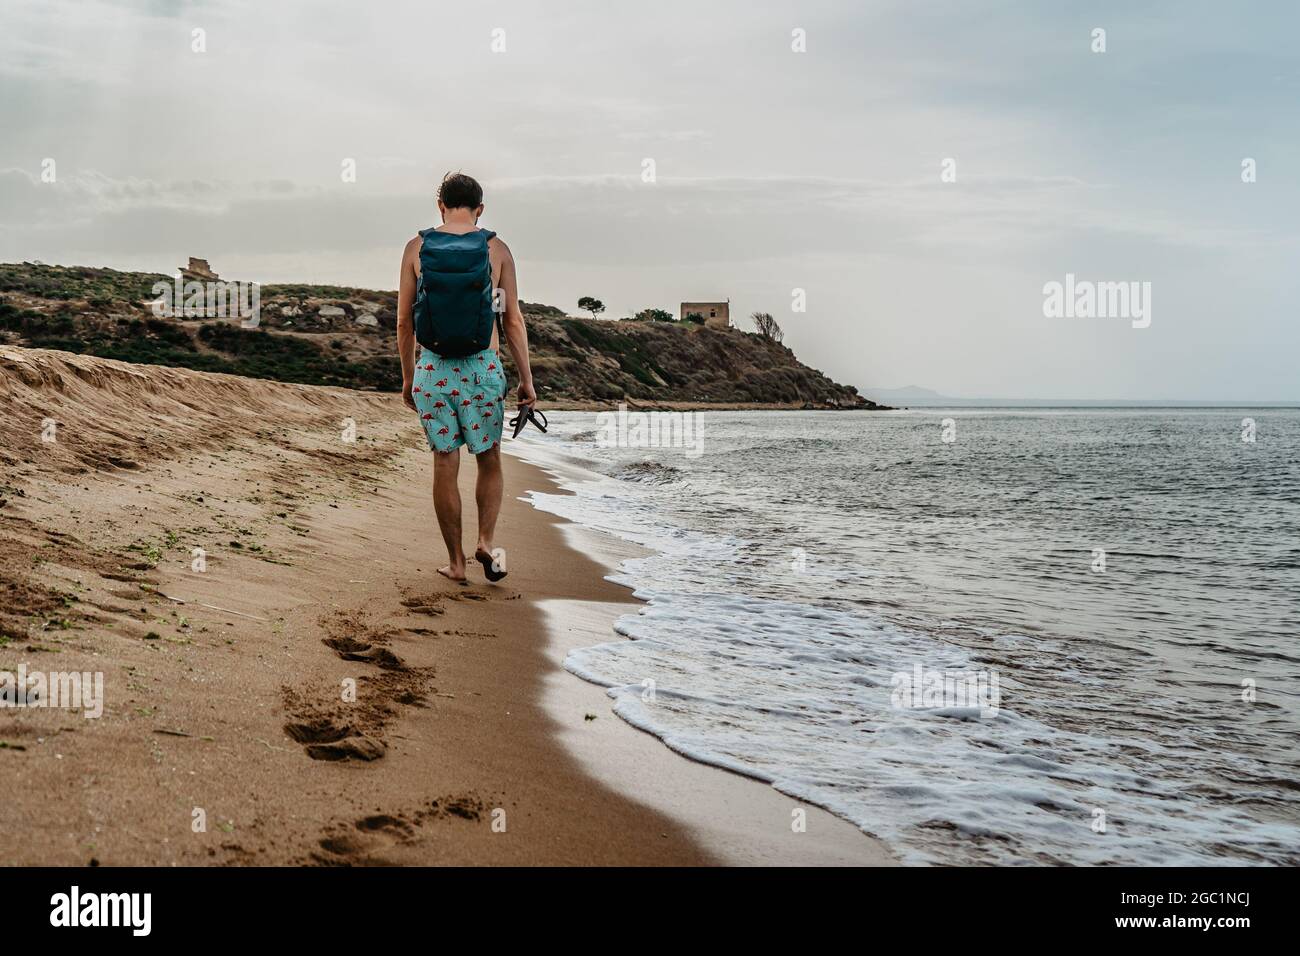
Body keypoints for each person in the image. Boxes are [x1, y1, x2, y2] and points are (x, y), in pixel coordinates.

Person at [396, 172, 536, 583]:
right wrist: (526, 379)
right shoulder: (496, 249)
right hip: (483, 368)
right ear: (480, 209)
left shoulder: (416, 248)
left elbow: (404, 322)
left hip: (433, 369)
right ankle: (486, 542)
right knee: (489, 458)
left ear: (440, 205)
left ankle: (456, 563)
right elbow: (512, 320)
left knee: (446, 461)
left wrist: (409, 377)